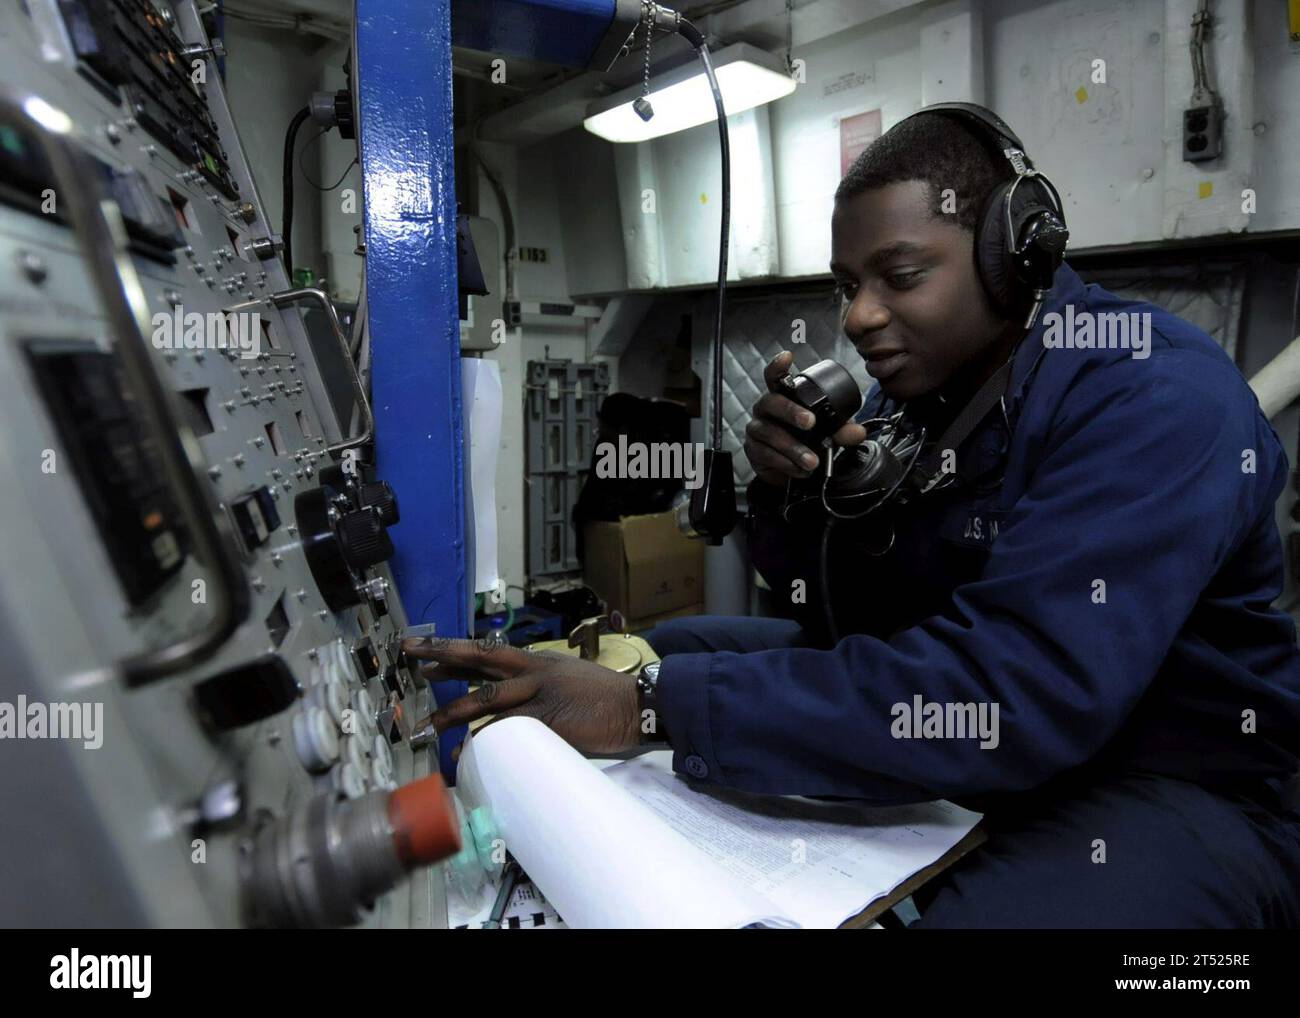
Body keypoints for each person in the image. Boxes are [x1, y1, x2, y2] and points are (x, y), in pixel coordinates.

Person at [404, 104, 1300, 928]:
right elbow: (830, 605)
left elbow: (1009, 695)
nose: (861, 315)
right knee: (674, 648)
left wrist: (646, 708)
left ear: (1012, 253)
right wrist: (787, 487)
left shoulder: (1151, 392)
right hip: (980, 713)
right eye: (847, 284)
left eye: (899, 276)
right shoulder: (918, 397)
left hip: (1166, 778)